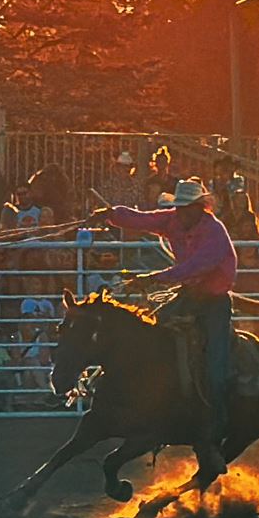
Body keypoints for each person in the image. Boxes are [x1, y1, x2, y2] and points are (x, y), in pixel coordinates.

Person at [92, 178, 238, 480]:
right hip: (189, 295)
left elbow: (197, 266)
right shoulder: (173, 221)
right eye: (179, 207)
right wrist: (109, 214)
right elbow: (140, 219)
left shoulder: (214, 232)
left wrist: (154, 278)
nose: (180, 212)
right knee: (151, 339)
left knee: (215, 366)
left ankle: (215, 430)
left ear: (199, 207)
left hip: (212, 302)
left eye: (185, 208)